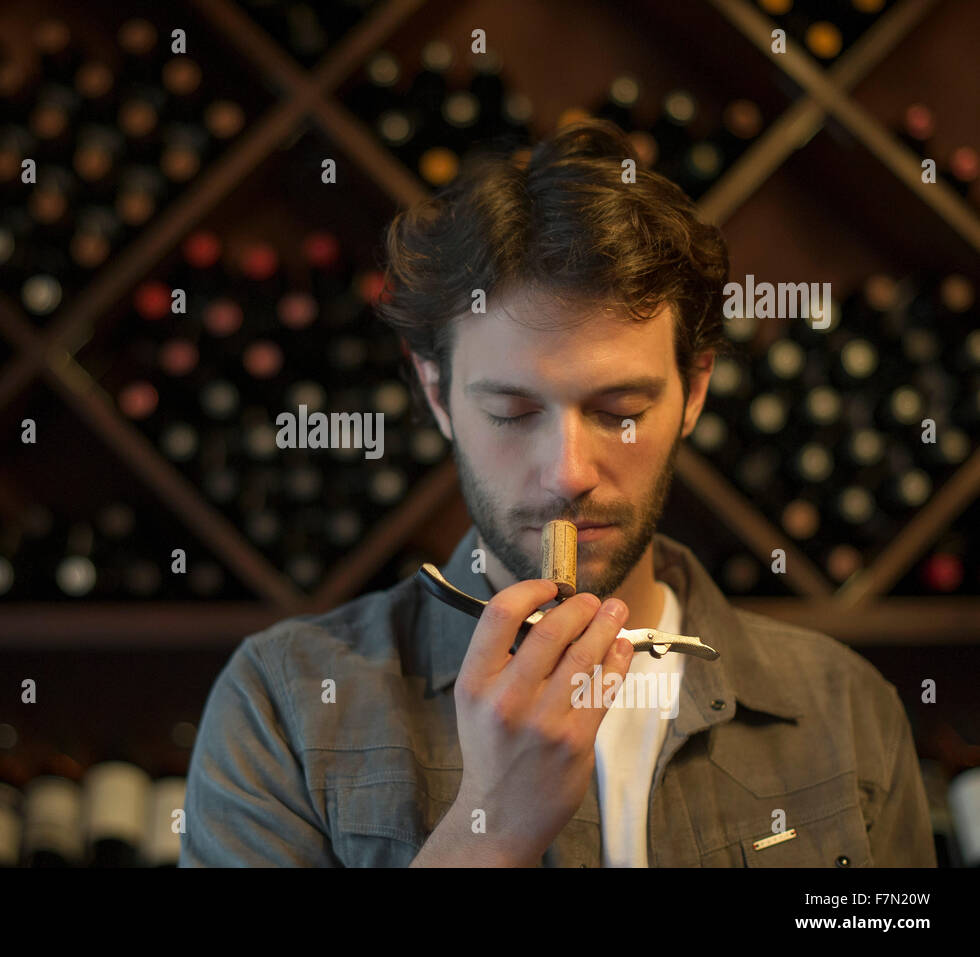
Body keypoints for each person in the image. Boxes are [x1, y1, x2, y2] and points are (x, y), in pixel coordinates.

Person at [179, 120, 936, 867]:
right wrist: (492, 829)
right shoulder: (284, 705)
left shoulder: (845, 705)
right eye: (512, 413)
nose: (568, 471)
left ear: (695, 389)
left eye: (621, 413)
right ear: (437, 394)